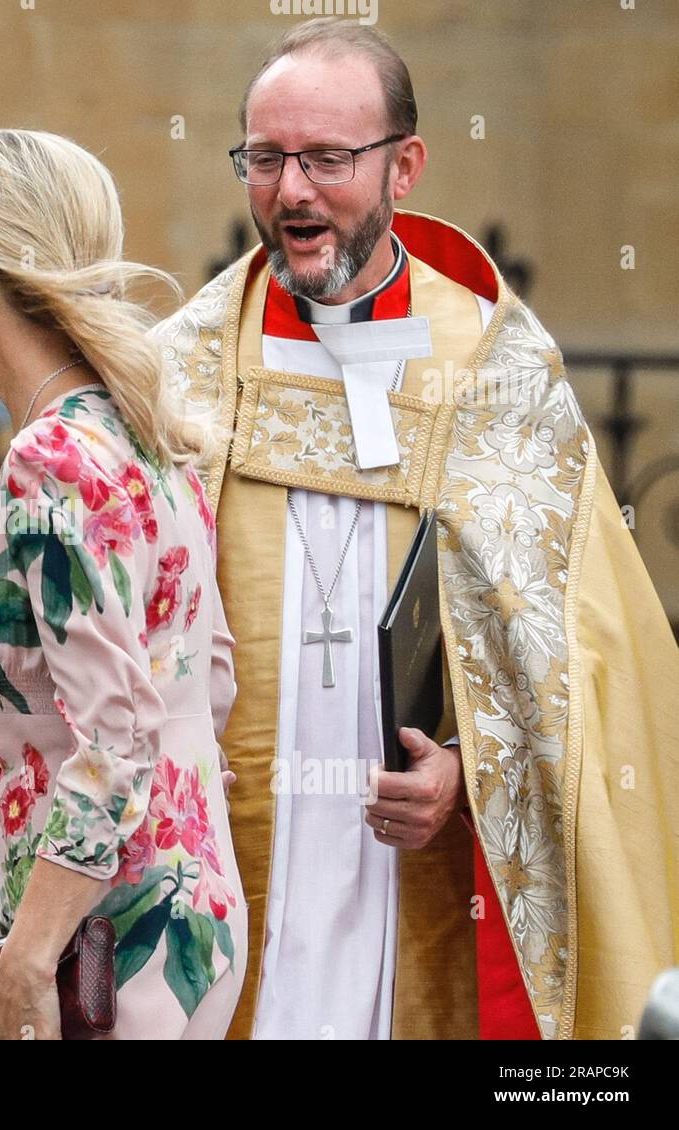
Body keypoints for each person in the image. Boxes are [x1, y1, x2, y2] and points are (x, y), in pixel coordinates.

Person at [153, 18, 679, 1038]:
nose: (292, 192)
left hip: (414, 874)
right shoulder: (181, 372)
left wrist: (461, 766)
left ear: (406, 164)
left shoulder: (493, 372)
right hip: (231, 842)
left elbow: (577, 664)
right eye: (266, 159)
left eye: (327, 159)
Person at [0, 129, 247, 1040]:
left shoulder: (53, 459)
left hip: (95, 942)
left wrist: (28, 960)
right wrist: (4, 718)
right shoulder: (150, 434)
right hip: (184, 901)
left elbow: (114, 735)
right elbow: (200, 675)